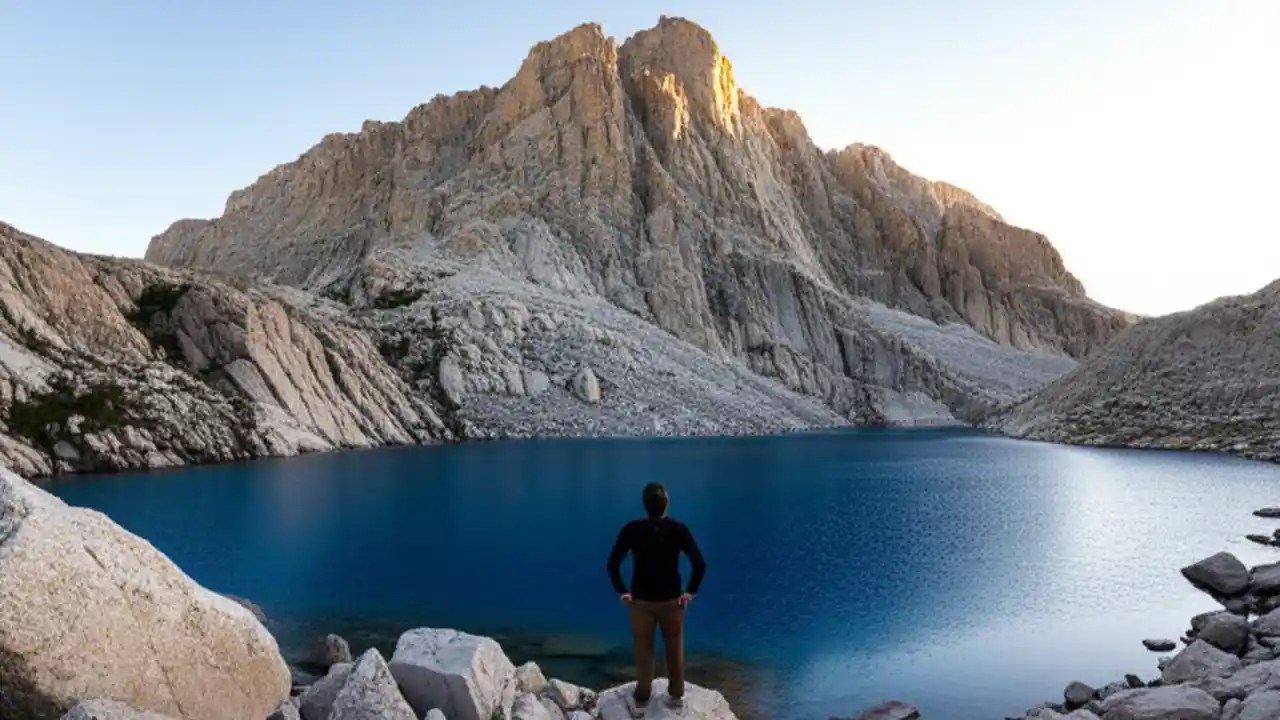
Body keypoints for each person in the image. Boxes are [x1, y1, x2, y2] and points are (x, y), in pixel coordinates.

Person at [607, 482, 707, 717]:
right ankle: (675, 697)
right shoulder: (678, 529)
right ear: (666, 504)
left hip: (641, 602)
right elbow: (699, 564)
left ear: (645, 505)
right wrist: (689, 592)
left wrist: (622, 590)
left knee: (643, 649)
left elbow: (613, 563)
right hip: (672, 601)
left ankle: (642, 699)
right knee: (675, 647)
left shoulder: (632, 529)